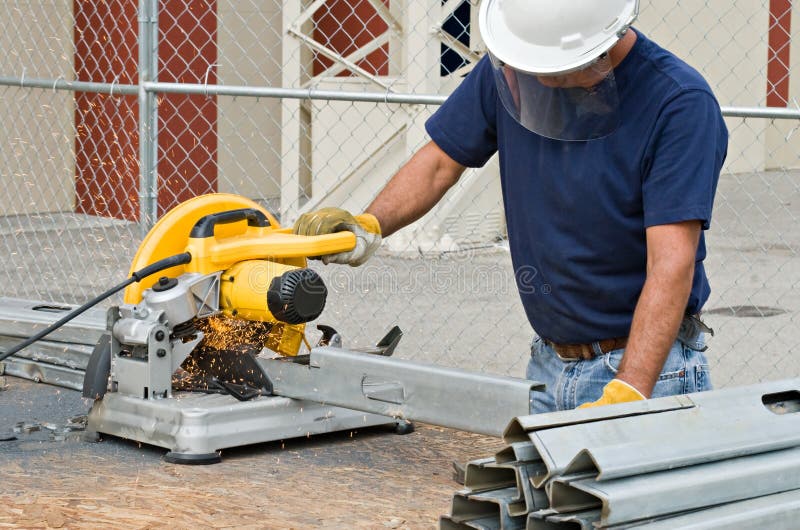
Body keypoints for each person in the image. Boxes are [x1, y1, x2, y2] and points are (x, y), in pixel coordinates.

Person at [293, 0, 728, 411]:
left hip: (647, 368)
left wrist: (632, 390)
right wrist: (371, 224)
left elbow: (671, 265)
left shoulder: (680, 104)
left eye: (551, 72)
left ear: (598, 50)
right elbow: (441, 162)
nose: (535, 82)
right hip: (548, 365)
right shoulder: (518, 64)